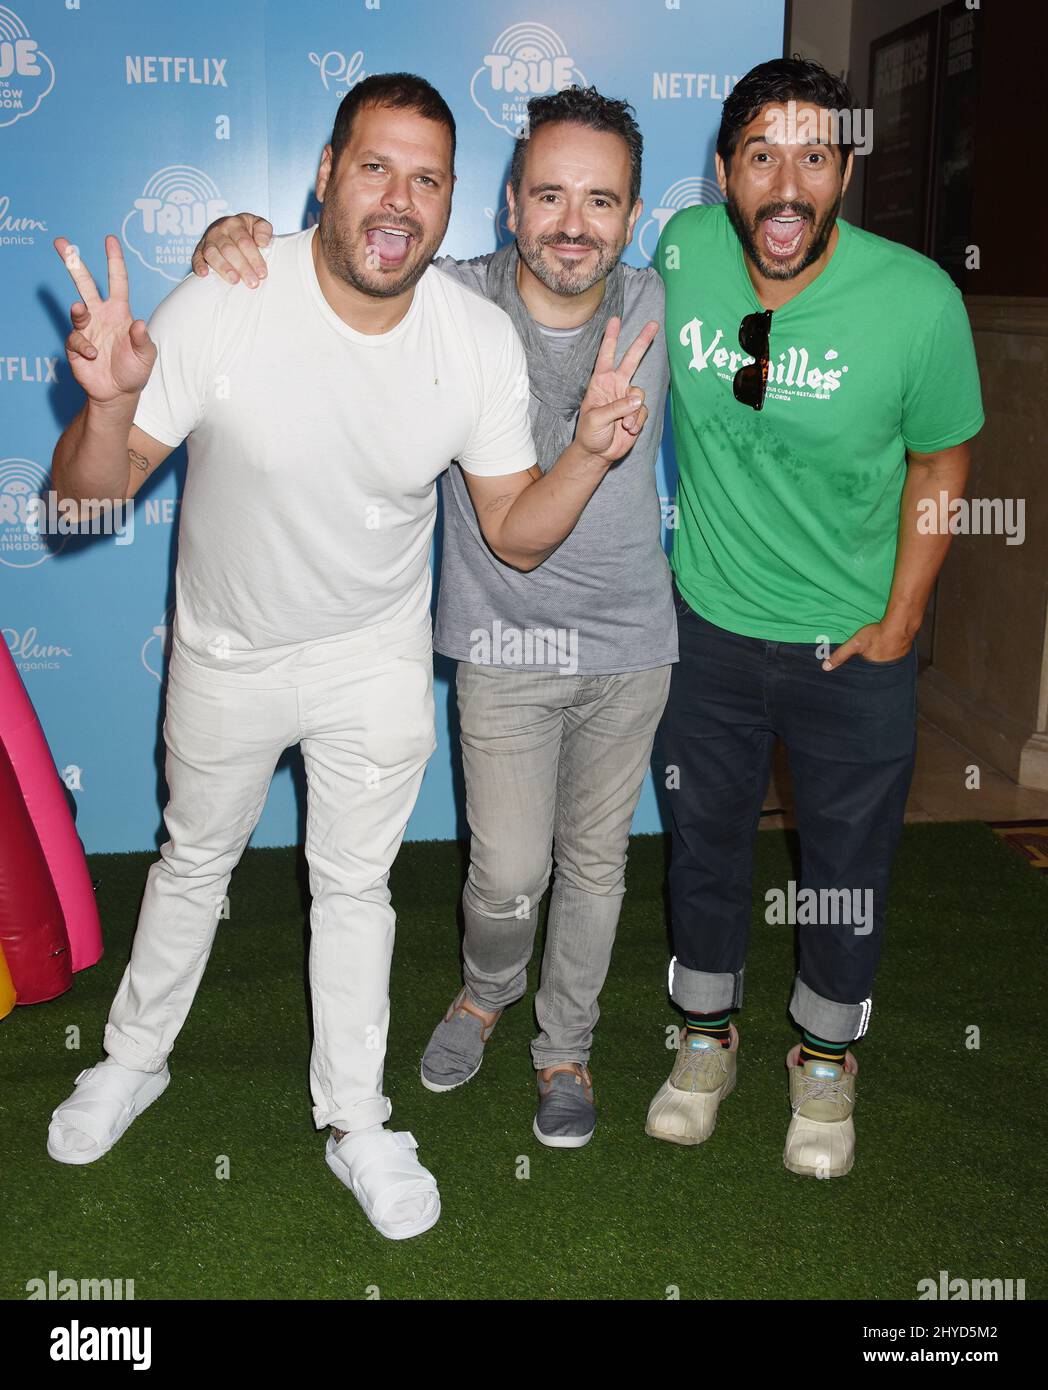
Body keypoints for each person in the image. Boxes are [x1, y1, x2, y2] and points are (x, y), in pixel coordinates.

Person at [45, 73, 656, 1240]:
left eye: (426, 177)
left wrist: (583, 452)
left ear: (452, 203)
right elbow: (85, 502)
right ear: (324, 175)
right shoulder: (229, 293)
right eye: (375, 166)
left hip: (372, 662)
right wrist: (114, 408)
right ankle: (132, 1059)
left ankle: (360, 1121)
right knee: (190, 864)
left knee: (355, 891)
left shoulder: (473, 340)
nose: (398, 199)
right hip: (225, 654)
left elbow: (517, 534)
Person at [192, 85, 675, 1150]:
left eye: (600, 202)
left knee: (596, 864)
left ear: (632, 218)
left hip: (633, 646)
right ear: (507, 204)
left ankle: (565, 1044)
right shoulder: (447, 295)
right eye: (548, 194)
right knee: (506, 871)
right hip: (501, 644)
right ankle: (484, 991)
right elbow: (332, 265)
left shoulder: (658, 303)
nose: (571, 223)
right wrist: (229, 240)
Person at [646, 58, 983, 1176]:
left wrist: (900, 620)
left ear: (845, 166)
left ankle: (826, 1063)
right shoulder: (682, 254)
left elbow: (941, 459)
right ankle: (702, 1038)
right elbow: (535, 275)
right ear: (724, 172)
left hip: (852, 649)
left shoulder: (918, 298)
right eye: (760, 155)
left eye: (813, 154)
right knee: (701, 848)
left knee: (844, 866)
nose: (785, 184)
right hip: (706, 633)